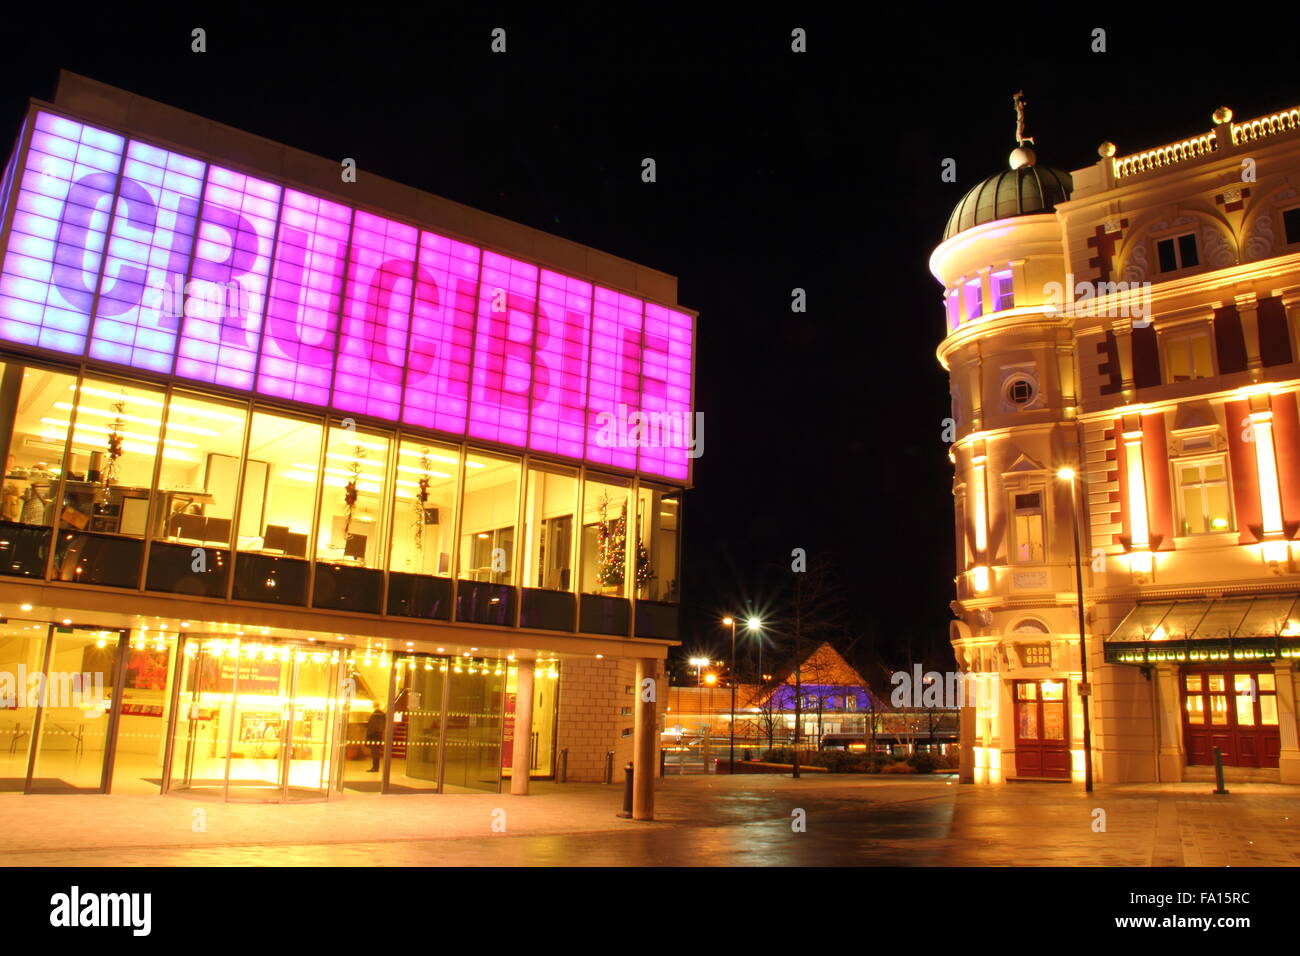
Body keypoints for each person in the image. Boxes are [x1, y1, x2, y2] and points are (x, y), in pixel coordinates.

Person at [365, 707, 385, 772]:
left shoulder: (377, 715)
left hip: (374, 736)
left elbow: (375, 726)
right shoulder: (379, 715)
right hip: (375, 736)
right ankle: (375, 767)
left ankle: (375, 767)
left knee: (375, 752)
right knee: (375, 752)